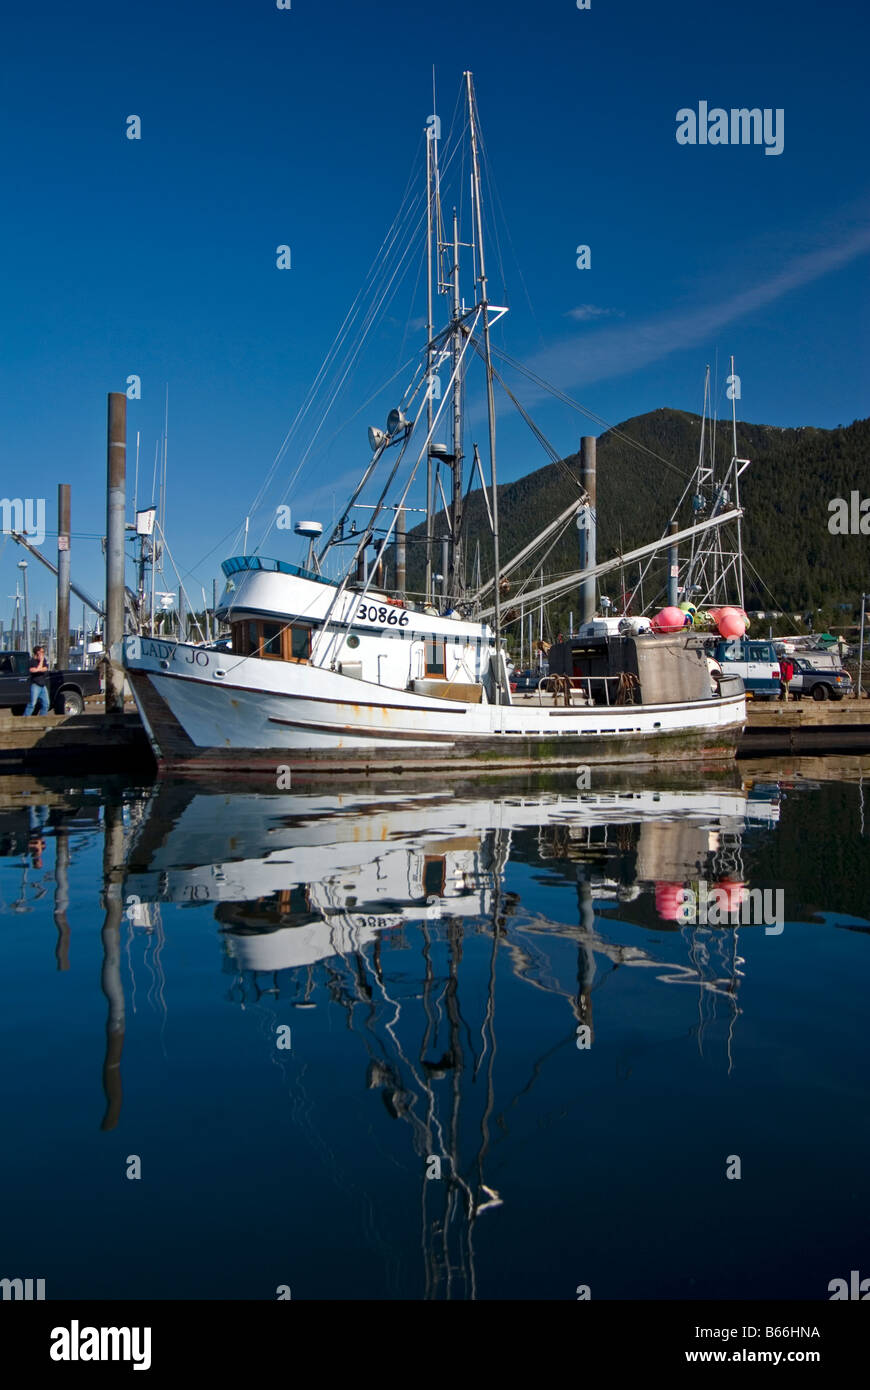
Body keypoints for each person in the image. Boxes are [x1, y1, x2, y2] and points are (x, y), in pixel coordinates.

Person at [24, 646, 50, 716]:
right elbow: (33, 671)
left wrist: (38, 668)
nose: (43, 654)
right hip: (35, 685)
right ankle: (24, 719)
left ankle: (43, 720)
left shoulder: (43, 660)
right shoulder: (32, 661)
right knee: (32, 704)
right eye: (42, 652)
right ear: (37, 652)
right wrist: (40, 662)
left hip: (43, 685)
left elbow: (45, 668)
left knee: (46, 704)